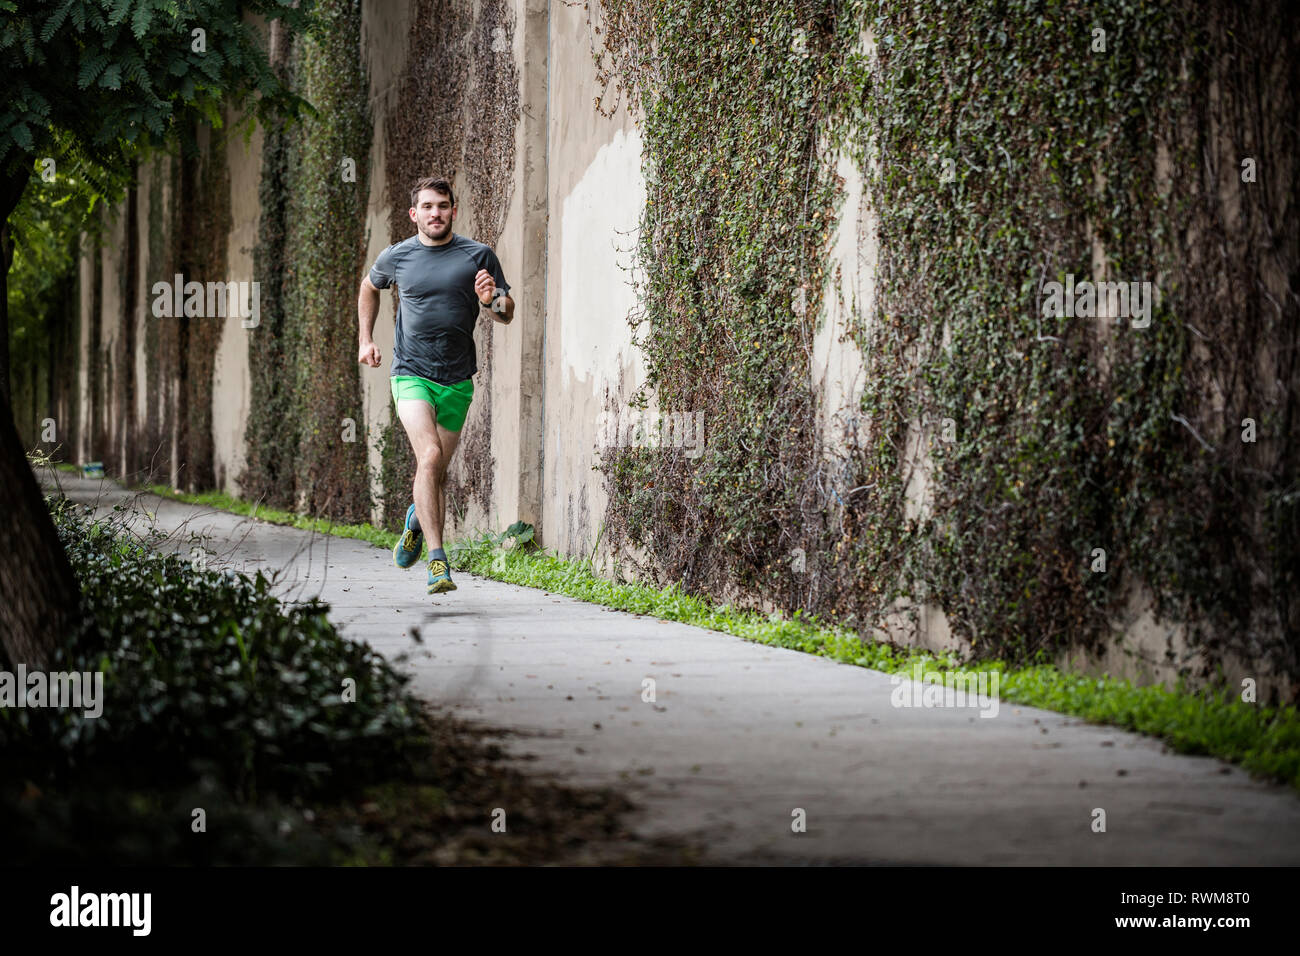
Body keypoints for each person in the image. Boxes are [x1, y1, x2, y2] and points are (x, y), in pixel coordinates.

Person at [357, 176, 514, 594]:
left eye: (442, 206)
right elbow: (369, 287)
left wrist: (489, 301)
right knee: (428, 455)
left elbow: (506, 312)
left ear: (453, 210)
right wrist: (366, 339)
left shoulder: (477, 255)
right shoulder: (397, 256)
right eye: (427, 207)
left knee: (436, 472)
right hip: (410, 374)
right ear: (415, 214)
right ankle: (438, 562)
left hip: (457, 380)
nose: (435, 213)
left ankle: (415, 519)